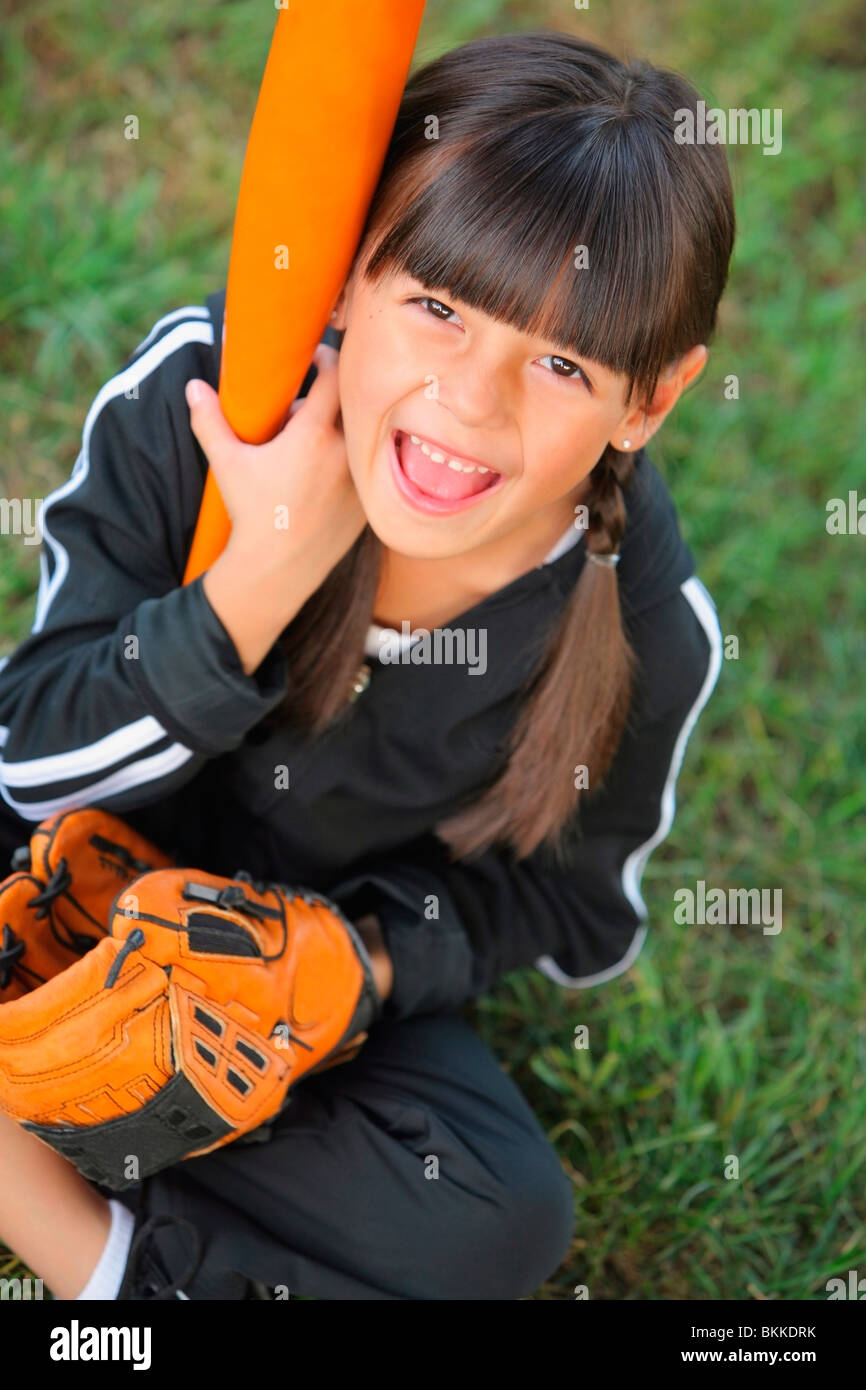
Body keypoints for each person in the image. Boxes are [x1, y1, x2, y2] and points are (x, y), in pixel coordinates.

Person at [0, 30, 733, 1300]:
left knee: (498, 1221)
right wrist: (253, 585)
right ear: (346, 278)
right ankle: (72, 1113)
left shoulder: (647, 625)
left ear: (649, 401)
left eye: (562, 364)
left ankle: (85, 1236)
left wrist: (353, 965)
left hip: (281, 997)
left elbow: (562, 909)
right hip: (64, 850)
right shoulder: (212, 403)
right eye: (436, 307)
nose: (468, 401)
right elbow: (27, 753)